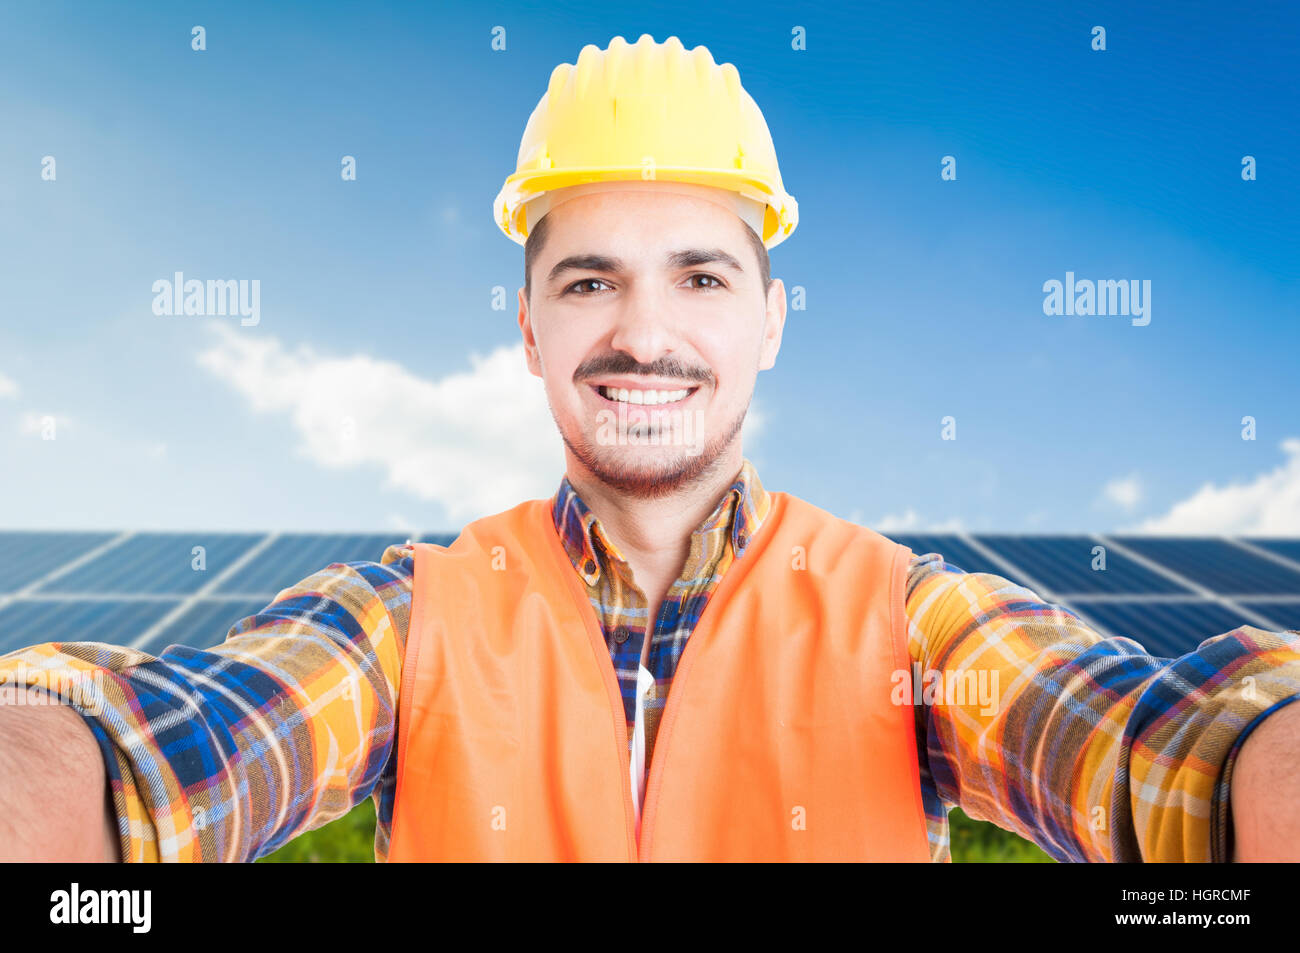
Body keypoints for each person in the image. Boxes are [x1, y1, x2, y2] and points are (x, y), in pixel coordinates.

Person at [2, 33, 1299, 862]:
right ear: (526, 326)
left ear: (772, 320)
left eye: (699, 277)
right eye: (588, 282)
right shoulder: (414, 615)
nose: (643, 331)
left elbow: (1154, 746)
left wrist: (1260, 764)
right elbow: (168, 751)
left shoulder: (906, 618)